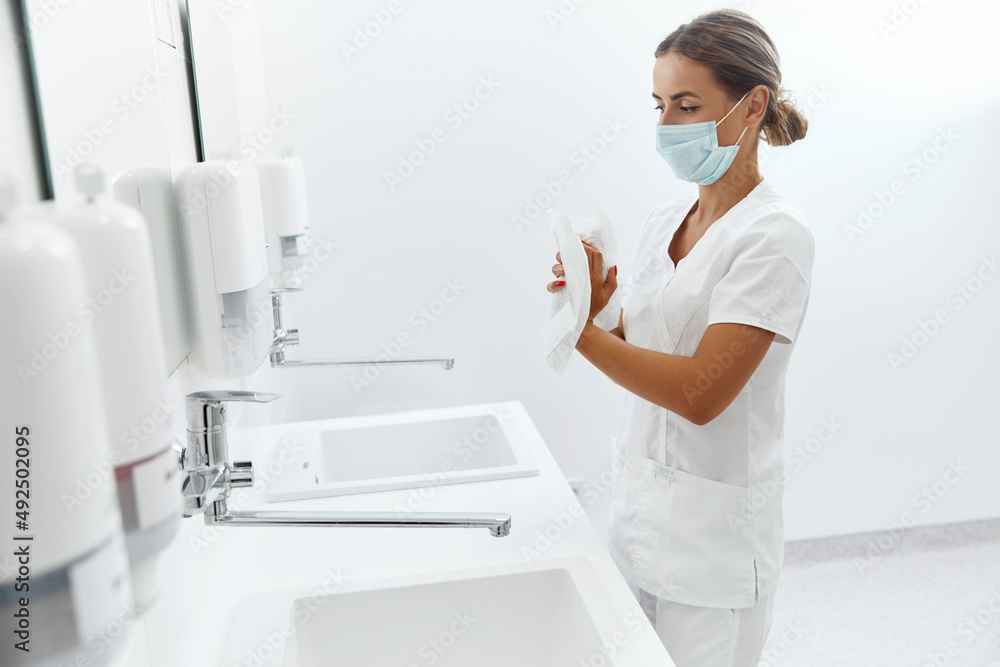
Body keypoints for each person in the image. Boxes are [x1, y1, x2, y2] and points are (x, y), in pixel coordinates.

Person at [546, 9, 815, 667]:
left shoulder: (774, 237)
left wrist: (577, 335)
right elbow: (650, 345)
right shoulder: (667, 220)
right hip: (639, 524)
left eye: (687, 106)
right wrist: (597, 309)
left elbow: (699, 393)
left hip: (714, 553)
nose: (666, 126)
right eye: (659, 105)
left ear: (753, 106)